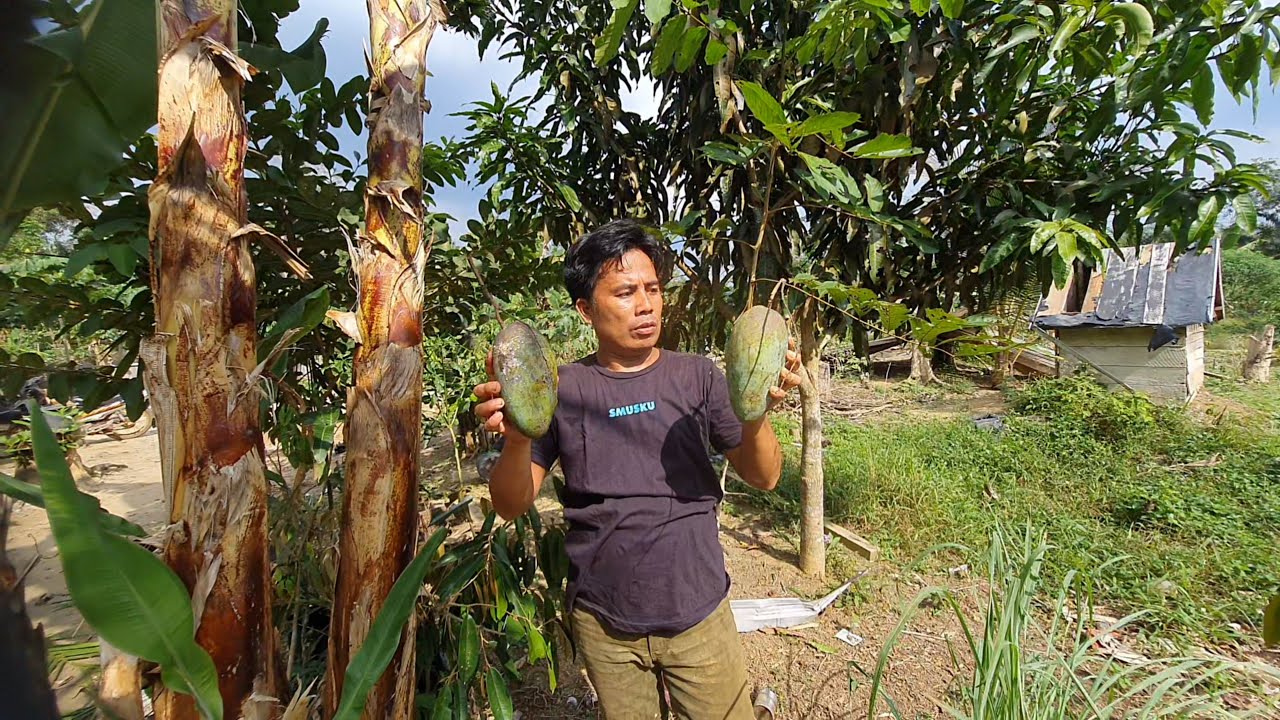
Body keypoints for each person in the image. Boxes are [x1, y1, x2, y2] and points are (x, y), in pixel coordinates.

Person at [473, 219, 801, 719]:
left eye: (653, 289)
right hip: (605, 623)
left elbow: (766, 476)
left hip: (698, 613)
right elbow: (510, 503)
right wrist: (518, 439)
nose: (646, 304)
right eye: (626, 292)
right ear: (585, 309)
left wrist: (754, 413)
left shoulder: (697, 376)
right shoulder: (565, 390)